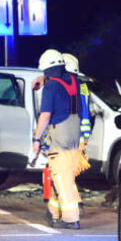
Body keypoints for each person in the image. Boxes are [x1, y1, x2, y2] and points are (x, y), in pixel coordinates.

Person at [32, 49, 83, 230]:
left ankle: (71, 219)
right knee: (66, 176)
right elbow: (61, 80)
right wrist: (43, 80)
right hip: (75, 135)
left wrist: (36, 139)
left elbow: (45, 116)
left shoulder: (51, 87)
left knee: (62, 178)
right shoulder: (74, 81)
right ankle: (56, 213)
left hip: (60, 136)